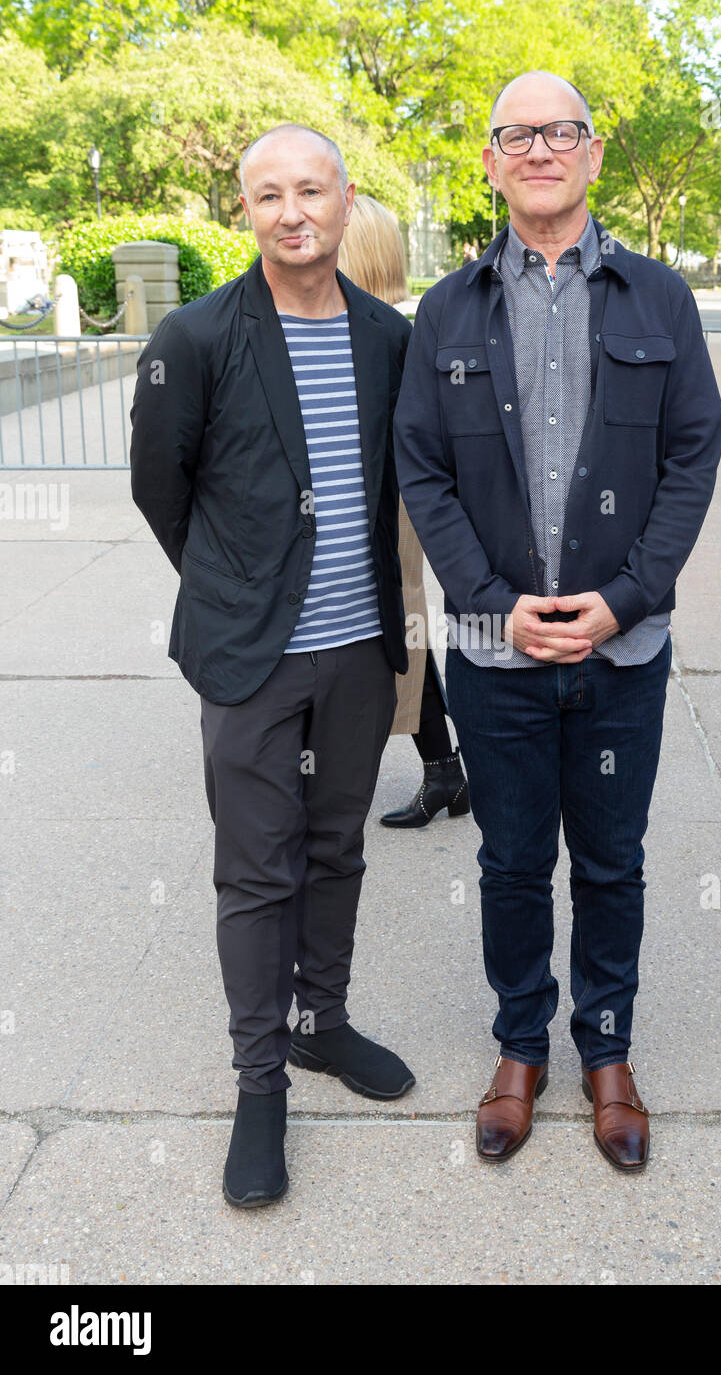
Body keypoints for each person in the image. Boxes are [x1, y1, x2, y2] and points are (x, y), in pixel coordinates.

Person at [395, 72, 721, 1171]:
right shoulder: (445, 310)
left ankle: (608, 1048)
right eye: (515, 134)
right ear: (490, 162)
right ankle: (518, 1045)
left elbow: (689, 459)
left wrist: (622, 598)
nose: (539, 149)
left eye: (561, 132)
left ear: (590, 155)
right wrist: (492, 606)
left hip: (622, 652)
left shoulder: (660, 299)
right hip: (495, 660)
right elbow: (422, 472)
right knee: (509, 860)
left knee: (612, 862)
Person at [130, 124, 416, 1210]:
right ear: (243, 212)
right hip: (248, 660)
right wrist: (236, 589)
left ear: (345, 201)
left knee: (335, 847)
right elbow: (163, 489)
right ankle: (258, 1082)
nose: (291, 212)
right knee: (258, 870)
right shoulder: (196, 338)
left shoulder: (387, 337)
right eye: (267, 195)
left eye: (310, 190)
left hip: (355, 653)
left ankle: (319, 1024)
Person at [336, 194, 470, 827]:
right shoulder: (386, 326)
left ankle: (442, 768)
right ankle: (445, 769)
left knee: (395, 633)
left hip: (384, 506)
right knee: (400, 634)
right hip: (382, 502)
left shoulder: (386, 334)